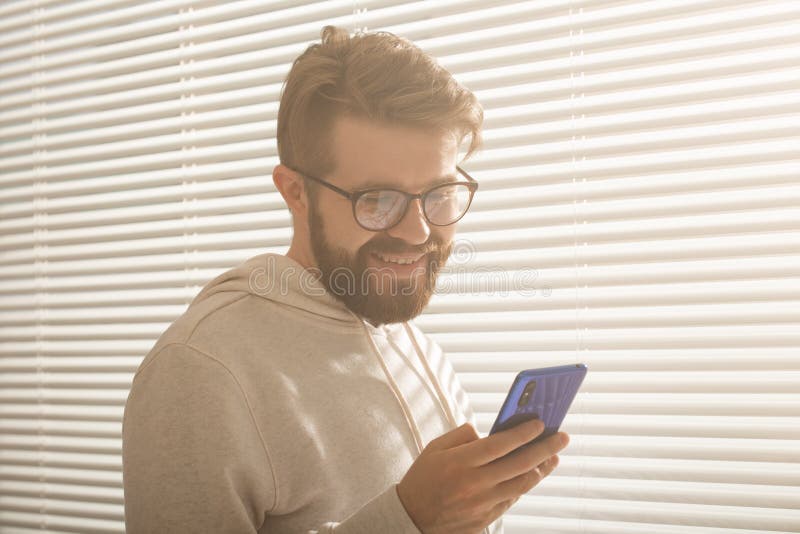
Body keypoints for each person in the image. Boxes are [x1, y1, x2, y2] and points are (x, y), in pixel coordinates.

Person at [121, 25, 569, 534]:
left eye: (440, 193)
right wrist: (408, 520)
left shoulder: (417, 349)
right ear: (295, 192)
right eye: (377, 199)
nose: (418, 231)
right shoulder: (200, 371)